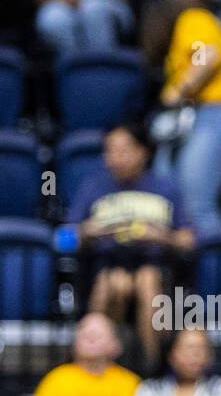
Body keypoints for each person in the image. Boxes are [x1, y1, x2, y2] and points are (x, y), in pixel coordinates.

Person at [68, 124, 196, 370]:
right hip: (105, 267)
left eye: (123, 151)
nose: (114, 158)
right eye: (110, 151)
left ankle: (152, 369)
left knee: (147, 281)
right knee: (113, 282)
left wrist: (162, 236)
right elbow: (64, 238)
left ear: (142, 152)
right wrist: (87, 231)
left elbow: (190, 240)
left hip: (156, 269)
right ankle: (103, 367)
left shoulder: (166, 188)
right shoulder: (93, 187)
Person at [152, 0, 221, 233]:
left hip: (213, 112)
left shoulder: (194, 17)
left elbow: (208, 55)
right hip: (198, 116)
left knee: (197, 206)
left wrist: (177, 90)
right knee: (174, 206)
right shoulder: (199, 20)